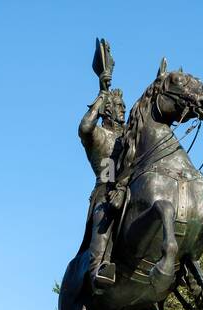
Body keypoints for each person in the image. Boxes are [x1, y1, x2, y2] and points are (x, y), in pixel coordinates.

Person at [78, 49, 126, 291]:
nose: (123, 111)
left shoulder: (128, 137)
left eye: (124, 108)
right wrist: (102, 95)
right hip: (105, 188)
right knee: (105, 212)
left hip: (128, 188)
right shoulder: (98, 135)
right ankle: (97, 270)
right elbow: (85, 126)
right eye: (119, 107)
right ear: (107, 110)